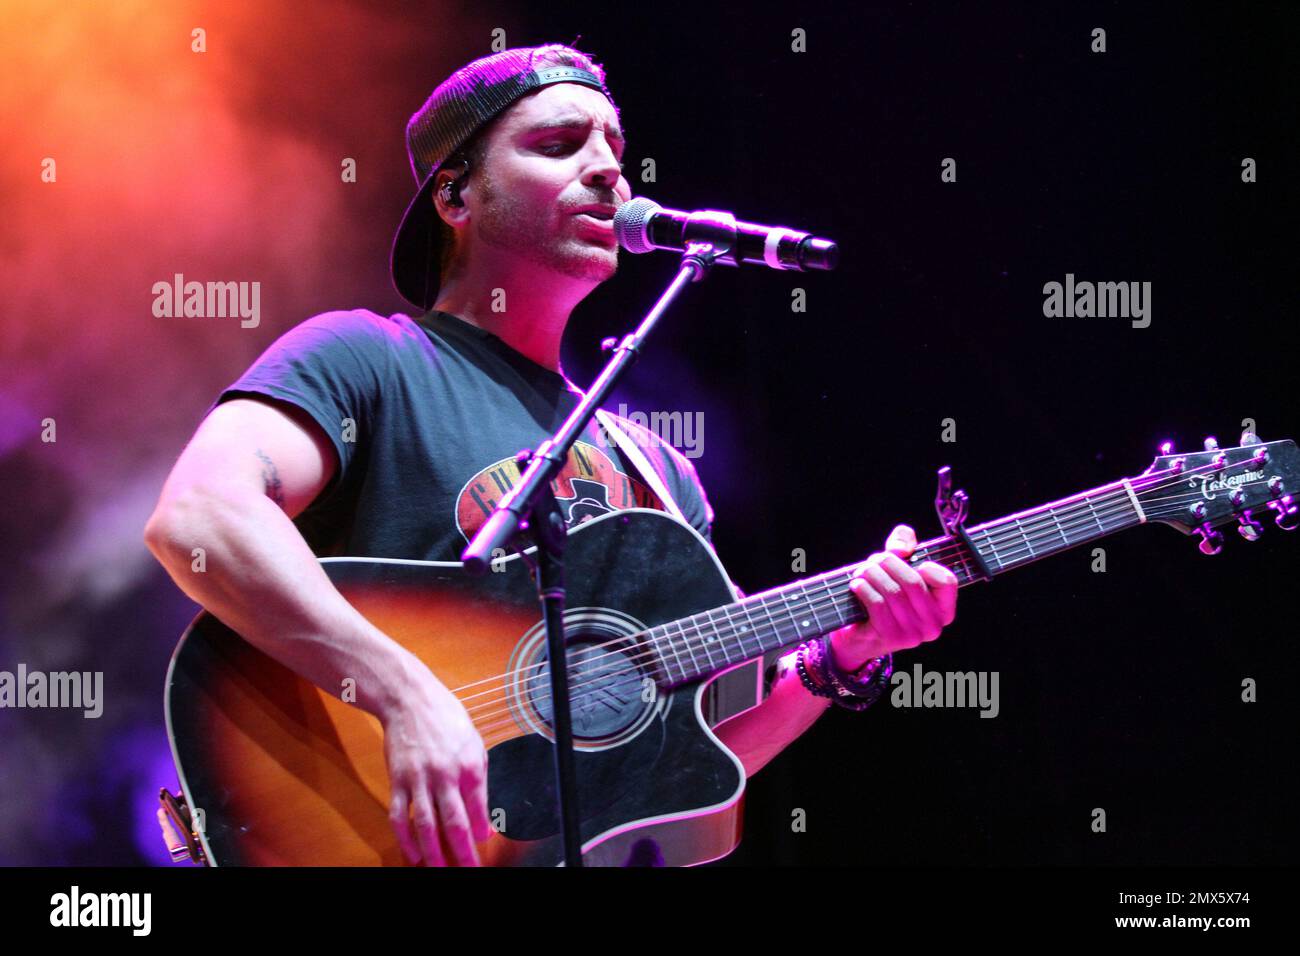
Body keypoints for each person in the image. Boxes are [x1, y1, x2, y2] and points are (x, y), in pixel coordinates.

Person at [143, 43, 958, 867]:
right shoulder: (367, 360)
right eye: (561, 144)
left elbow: (672, 772)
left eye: (615, 148)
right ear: (455, 195)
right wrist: (402, 694)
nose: (609, 170)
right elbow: (200, 516)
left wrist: (840, 657)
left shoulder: (657, 471)